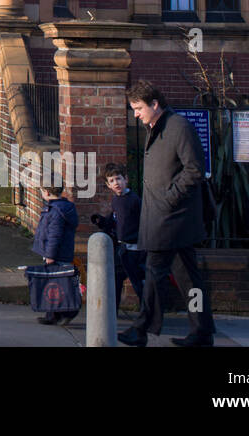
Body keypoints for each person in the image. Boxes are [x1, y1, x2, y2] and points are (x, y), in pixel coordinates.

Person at [118, 80, 217, 347]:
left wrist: (169, 199)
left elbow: (194, 170)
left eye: (138, 108)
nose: (135, 114)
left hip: (173, 217)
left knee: (154, 271)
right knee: (188, 277)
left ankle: (141, 329)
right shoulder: (156, 127)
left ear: (154, 104)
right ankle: (202, 331)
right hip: (164, 216)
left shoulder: (178, 127)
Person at [91, 162, 145, 312]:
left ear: (126, 179)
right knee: (115, 280)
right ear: (108, 185)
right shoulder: (116, 200)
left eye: (118, 179)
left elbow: (143, 222)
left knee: (138, 282)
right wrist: (103, 221)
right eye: (112, 181)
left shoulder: (134, 200)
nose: (116, 183)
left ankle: (146, 313)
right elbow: (115, 220)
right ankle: (112, 311)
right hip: (120, 248)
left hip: (134, 249)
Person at [31, 181, 80, 325]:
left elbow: (54, 235)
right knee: (53, 283)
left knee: (58, 284)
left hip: (56, 254)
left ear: (46, 192)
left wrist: (50, 255)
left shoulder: (55, 211)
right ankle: (52, 315)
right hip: (61, 252)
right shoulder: (61, 208)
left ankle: (70, 311)